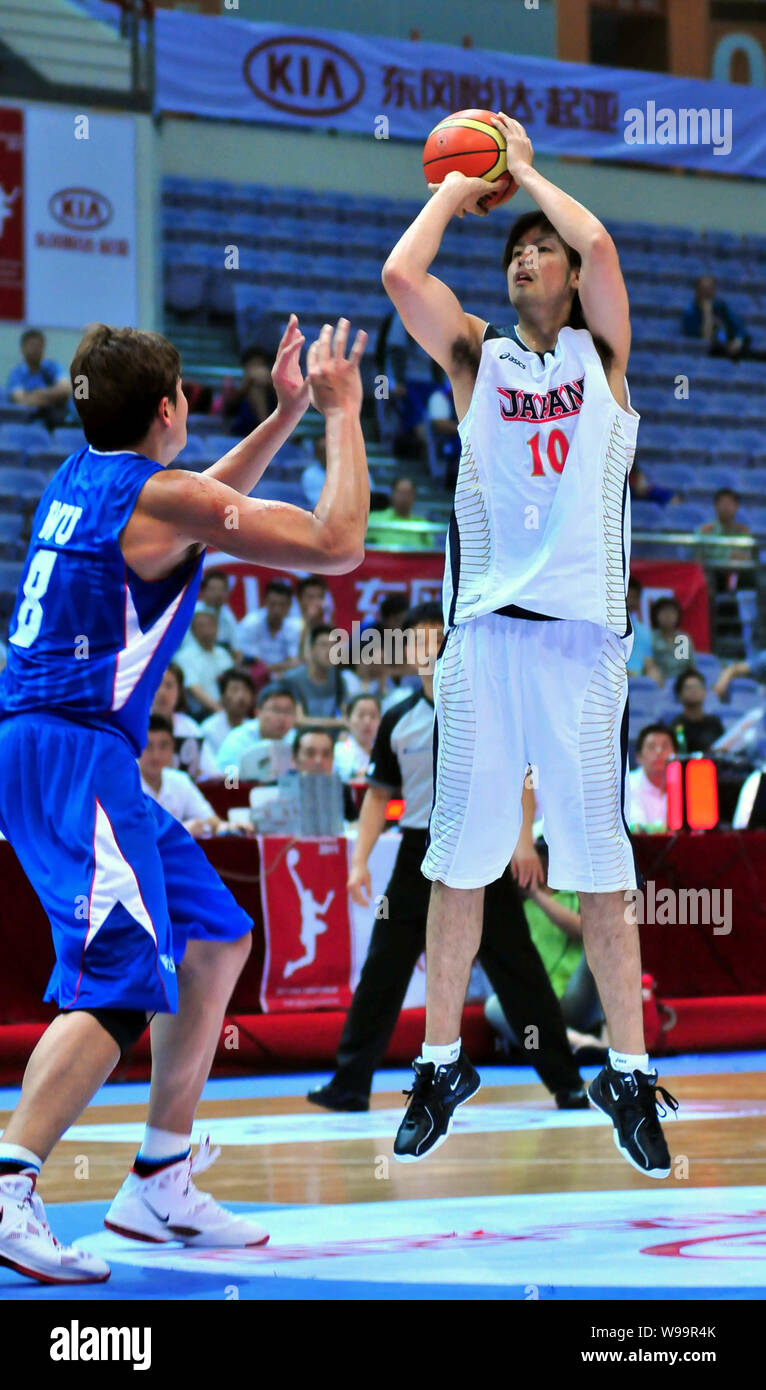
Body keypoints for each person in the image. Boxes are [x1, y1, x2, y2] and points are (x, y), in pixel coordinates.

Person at [0, 312, 368, 1283]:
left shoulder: (85, 480)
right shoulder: (155, 499)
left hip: (57, 747)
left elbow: (205, 504)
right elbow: (335, 544)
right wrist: (339, 412)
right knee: (120, 980)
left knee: (216, 932)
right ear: (171, 410)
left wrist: (282, 413)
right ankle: (9, 1181)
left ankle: (158, 1178)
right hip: (79, 758)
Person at [381, 111, 678, 1175]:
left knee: (600, 867)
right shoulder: (476, 358)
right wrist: (461, 188)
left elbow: (599, 248)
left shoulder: (603, 357)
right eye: (511, 254)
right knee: (454, 864)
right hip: (483, 647)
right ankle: (437, 1062)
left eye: (532, 250)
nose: (525, 260)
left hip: (582, 648)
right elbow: (399, 277)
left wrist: (529, 173)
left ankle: (629, 1076)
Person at [308, 602, 588, 1114]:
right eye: (417, 642)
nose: (428, 650)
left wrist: (523, 842)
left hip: (481, 848)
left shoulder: (489, 706)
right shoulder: (397, 718)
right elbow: (377, 794)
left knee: (517, 968)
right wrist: (359, 862)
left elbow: (523, 779)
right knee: (383, 968)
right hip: (418, 851)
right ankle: (349, 1083)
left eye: (437, 639)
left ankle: (566, 1081)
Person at [140, 715, 224, 837]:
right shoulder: (125, 784)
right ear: (136, 748)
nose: (156, 755)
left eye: (163, 746)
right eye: (148, 746)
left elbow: (213, 821)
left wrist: (207, 826)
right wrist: (181, 829)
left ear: (173, 748)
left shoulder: (180, 780)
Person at [215, 681, 298, 777]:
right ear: (258, 713)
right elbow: (228, 783)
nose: (282, 717)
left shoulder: (295, 739)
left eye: (288, 711)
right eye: (276, 710)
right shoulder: (237, 740)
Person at [682, 275, 766, 362]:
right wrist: (707, 314)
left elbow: (739, 328)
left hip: (731, 349)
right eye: (703, 289)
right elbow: (703, 340)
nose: (707, 293)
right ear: (697, 291)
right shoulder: (690, 312)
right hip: (710, 354)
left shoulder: (721, 307)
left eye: (710, 289)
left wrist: (737, 342)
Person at [282, 622, 350, 727]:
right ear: (311, 649)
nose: (329, 651)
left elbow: (346, 717)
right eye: (323, 645)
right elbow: (298, 720)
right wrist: (338, 723)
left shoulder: (339, 679)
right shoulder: (292, 680)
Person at [151, 661, 211, 779]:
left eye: (169, 686)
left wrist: (200, 774)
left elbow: (211, 772)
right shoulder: (134, 726)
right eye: (157, 685)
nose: (162, 693)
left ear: (179, 692)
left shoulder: (190, 727)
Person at [6, 328, 71, 430]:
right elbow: (21, 401)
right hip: (28, 422)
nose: (36, 350)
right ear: (22, 349)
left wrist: (37, 394)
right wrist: (54, 397)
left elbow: (65, 390)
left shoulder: (52, 367)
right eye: (32, 345)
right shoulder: (17, 374)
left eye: (39, 346)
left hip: (56, 421)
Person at [176, 605, 232, 717]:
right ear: (193, 630)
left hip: (226, 709)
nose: (206, 630)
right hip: (201, 713)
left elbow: (232, 683)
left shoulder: (223, 653)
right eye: (201, 626)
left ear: (217, 628)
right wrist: (220, 711)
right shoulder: (184, 657)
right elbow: (194, 689)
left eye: (210, 625)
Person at [696, 487, 755, 593]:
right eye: (722, 503)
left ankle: (738, 601)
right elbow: (698, 557)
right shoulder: (705, 530)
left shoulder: (743, 531)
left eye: (729, 504)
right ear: (715, 506)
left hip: (734, 574)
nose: (725, 507)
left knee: (747, 577)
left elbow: (746, 557)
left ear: (736, 507)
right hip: (711, 572)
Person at [237, 579, 301, 674]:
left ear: (289, 605)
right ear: (265, 602)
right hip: (254, 677)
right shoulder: (250, 623)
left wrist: (267, 670)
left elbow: (294, 662)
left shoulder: (294, 628)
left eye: (282, 605)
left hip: (283, 678)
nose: (277, 610)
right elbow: (246, 660)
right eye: (273, 604)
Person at [199, 668, 256, 762]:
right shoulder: (209, 729)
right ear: (222, 696)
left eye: (246, 690)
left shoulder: (254, 727)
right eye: (235, 690)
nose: (241, 696)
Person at [628, 724, 678, 831]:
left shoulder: (685, 786)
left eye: (665, 746)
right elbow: (637, 828)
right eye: (651, 747)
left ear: (676, 755)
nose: (659, 752)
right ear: (638, 757)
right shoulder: (627, 785)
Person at [221, 345, 279, 435]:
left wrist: (271, 383)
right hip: (246, 424)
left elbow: (283, 402)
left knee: (257, 389)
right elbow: (228, 408)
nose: (257, 370)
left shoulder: (273, 384)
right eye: (253, 365)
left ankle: (266, 428)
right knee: (255, 390)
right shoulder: (240, 385)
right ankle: (265, 428)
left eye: (260, 365)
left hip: (272, 419)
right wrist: (247, 383)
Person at [367, 477, 433, 550]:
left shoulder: (423, 525)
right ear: (392, 493)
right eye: (400, 493)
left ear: (414, 496)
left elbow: (431, 551)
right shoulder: (375, 519)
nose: (404, 497)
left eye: (408, 493)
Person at [669, 669, 724, 754]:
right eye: (688, 688)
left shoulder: (715, 723)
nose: (693, 690)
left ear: (705, 692)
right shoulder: (675, 727)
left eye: (697, 686)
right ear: (679, 695)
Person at [650, 595, 696, 687]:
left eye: (672, 612)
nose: (668, 616)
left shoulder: (684, 638)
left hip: (682, 685)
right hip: (659, 683)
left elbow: (690, 666)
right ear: (656, 615)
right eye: (664, 612)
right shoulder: (650, 637)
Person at [334, 692, 381, 780]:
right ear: (348, 720)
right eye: (361, 715)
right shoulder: (339, 750)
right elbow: (348, 776)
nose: (367, 722)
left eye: (373, 716)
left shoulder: (385, 751)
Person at [197, 569, 240, 658]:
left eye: (222, 590)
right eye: (213, 589)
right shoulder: (194, 612)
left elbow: (237, 650)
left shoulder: (227, 614)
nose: (218, 594)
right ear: (203, 591)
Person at [626, 577, 662, 683]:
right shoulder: (604, 629)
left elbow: (648, 661)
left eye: (634, 597)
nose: (629, 601)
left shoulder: (644, 632)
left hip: (637, 682)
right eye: (627, 596)